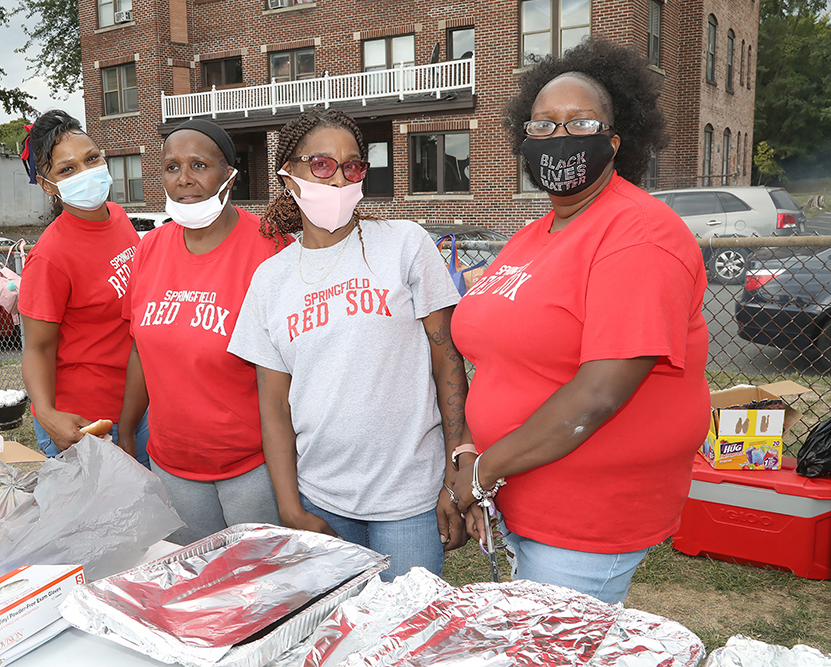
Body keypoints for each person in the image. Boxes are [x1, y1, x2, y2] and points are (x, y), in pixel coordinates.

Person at [450, 38, 710, 605]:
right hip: (518, 491)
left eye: (579, 122)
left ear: (615, 141)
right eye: (541, 126)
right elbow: (498, 362)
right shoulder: (532, 234)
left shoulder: (639, 235)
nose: (558, 137)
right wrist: (471, 455)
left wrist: (482, 474)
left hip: (588, 517)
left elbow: (597, 394)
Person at [227, 109, 470, 581]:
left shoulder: (404, 244)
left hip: (409, 501)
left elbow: (448, 364)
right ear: (288, 175)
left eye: (353, 166)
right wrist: (290, 506)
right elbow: (274, 405)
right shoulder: (270, 280)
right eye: (321, 165)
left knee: (402, 640)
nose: (339, 178)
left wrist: (457, 470)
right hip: (322, 498)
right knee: (337, 634)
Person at [117, 119, 289, 545]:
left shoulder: (271, 246)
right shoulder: (149, 249)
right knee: (199, 592)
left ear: (229, 174)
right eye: (171, 167)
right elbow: (141, 348)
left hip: (253, 468)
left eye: (199, 164)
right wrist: (126, 430)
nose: (185, 179)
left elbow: (296, 362)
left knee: (262, 592)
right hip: (172, 466)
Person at [18, 109, 149, 467]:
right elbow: (38, 348)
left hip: (138, 407)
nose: (86, 172)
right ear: (48, 185)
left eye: (92, 159)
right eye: (67, 169)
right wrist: (47, 414)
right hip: (84, 423)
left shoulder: (119, 218)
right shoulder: (50, 256)